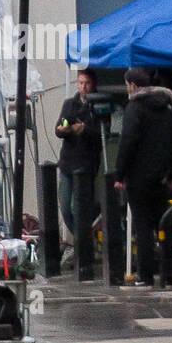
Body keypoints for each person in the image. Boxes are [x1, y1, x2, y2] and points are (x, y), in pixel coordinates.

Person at [114, 67, 172, 287]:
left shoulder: (135, 108)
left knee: (142, 225)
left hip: (138, 176)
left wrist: (120, 173)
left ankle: (146, 274)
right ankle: (170, 274)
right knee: (164, 224)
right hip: (163, 177)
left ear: (132, 85)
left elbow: (128, 143)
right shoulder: (168, 108)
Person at [55, 69, 102, 274]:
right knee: (65, 207)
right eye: (81, 83)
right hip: (67, 162)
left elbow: (102, 134)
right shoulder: (70, 104)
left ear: (93, 85)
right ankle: (84, 242)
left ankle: (83, 247)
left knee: (77, 208)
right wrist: (62, 130)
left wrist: (87, 131)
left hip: (86, 164)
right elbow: (58, 127)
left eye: (87, 83)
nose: (83, 87)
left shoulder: (98, 105)